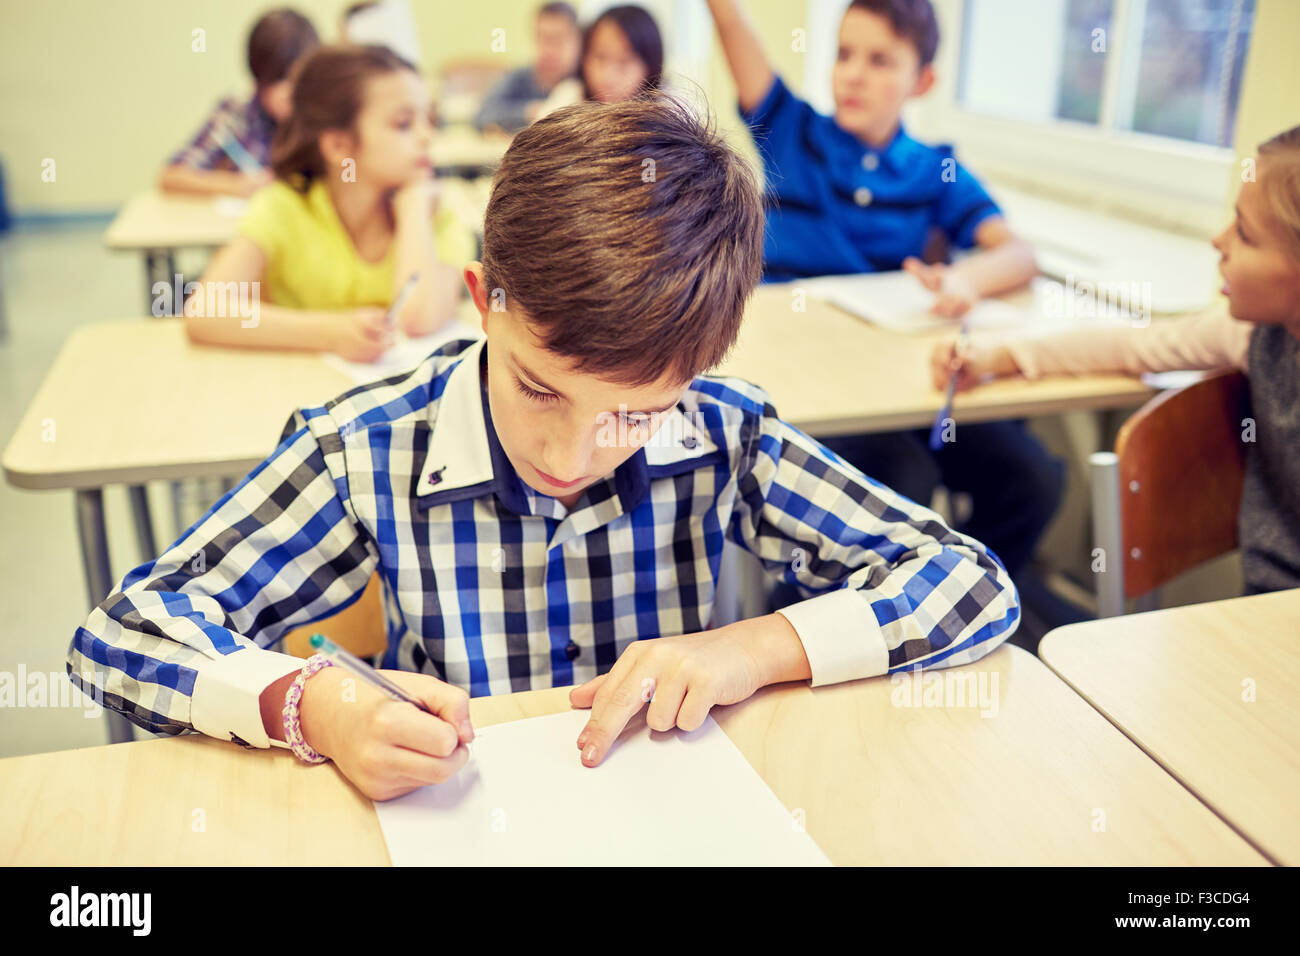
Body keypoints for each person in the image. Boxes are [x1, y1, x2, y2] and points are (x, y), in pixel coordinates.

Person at [69, 96, 1019, 801]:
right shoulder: (366, 448)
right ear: (485, 301)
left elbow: (972, 583)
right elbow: (121, 634)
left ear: (699, 370)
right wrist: (309, 702)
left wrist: (751, 649)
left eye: (636, 415)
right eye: (537, 388)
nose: (571, 452)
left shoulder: (726, 428)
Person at [707, 0, 1057, 581]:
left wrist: (966, 278)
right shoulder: (792, 132)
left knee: (1032, 477)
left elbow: (1020, 256)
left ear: (922, 81)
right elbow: (729, 22)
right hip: (807, 381)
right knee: (902, 477)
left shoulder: (933, 169)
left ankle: (959, 598)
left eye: (879, 60)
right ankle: (815, 614)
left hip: (902, 384)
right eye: (844, 54)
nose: (853, 73)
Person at [931, 127, 1300, 596]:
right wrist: (1001, 356)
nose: (1218, 239)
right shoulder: (1250, 334)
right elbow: (1131, 346)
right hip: (1263, 608)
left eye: (1245, 234)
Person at [183, 45, 472, 361]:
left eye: (428, 120)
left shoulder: (436, 216)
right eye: (403, 124)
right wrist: (330, 333)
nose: (426, 136)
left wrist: (414, 210)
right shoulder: (285, 207)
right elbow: (204, 310)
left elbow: (419, 319)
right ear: (338, 145)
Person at [159, 8, 319, 198]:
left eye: (294, 81)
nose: (286, 93)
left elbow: (350, 174)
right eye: (276, 80)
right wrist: (235, 185)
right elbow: (170, 177)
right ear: (257, 77)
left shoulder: (327, 114)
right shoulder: (237, 112)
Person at [474, 2, 581, 134]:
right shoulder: (520, 76)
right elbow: (482, 115)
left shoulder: (586, 79)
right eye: (541, 38)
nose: (548, 50)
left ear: (578, 42)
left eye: (557, 40)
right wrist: (530, 112)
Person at [537, 4, 663, 116]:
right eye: (600, 57)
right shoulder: (569, 96)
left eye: (624, 61)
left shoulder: (665, 110)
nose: (608, 75)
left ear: (650, 64)